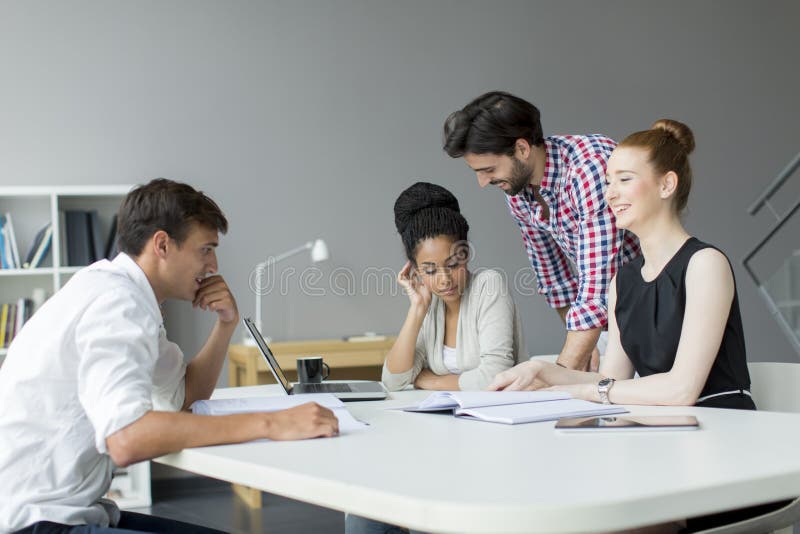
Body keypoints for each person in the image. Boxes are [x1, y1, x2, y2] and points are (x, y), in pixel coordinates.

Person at [0, 179, 339, 534]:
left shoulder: (123, 293)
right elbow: (127, 439)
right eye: (205, 249)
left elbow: (182, 397)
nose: (213, 264)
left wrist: (226, 324)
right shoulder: (118, 303)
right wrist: (271, 423)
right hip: (37, 523)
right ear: (162, 244)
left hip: (69, 511)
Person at [489, 119, 755, 412]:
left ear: (667, 184)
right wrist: (539, 370)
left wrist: (583, 390)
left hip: (722, 426)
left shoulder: (705, 265)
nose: (610, 194)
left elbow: (681, 390)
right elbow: (610, 379)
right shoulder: (622, 282)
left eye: (624, 180)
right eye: (607, 182)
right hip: (663, 427)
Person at [443, 91, 640, 371]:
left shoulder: (587, 170)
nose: (482, 183)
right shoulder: (518, 188)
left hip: (659, 308)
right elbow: (555, 280)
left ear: (522, 149)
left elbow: (597, 285)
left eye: (488, 169)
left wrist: (563, 373)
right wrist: (587, 349)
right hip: (616, 320)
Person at [381, 181, 526, 392]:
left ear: (466, 254)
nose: (444, 280)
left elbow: (495, 376)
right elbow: (392, 381)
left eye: (452, 265)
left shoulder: (489, 285)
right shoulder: (429, 303)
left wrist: (429, 381)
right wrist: (417, 308)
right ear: (416, 271)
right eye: (430, 271)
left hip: (499, 417)